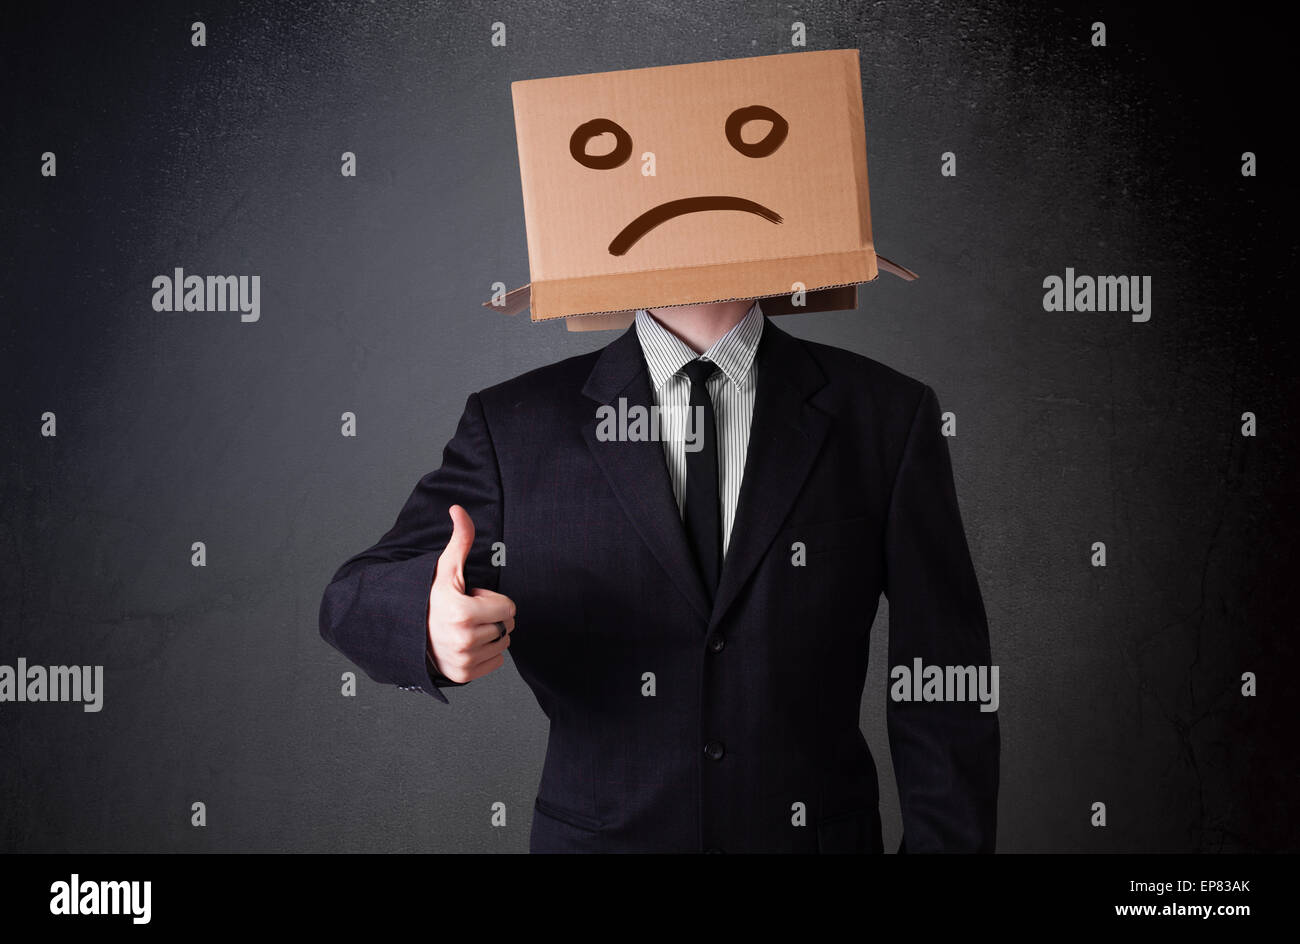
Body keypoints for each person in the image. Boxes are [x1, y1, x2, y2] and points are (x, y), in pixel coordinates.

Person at [319, 295, 1000, 853]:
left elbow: (946, 674)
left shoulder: (884, 413)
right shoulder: (515, 424)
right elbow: (352, 598)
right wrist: (428, 628)